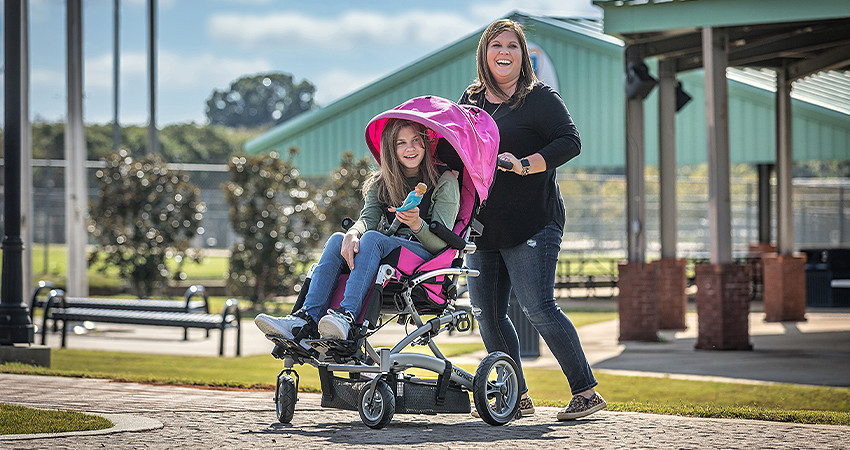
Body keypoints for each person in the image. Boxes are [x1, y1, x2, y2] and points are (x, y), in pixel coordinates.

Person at [458, 18, 606, 421]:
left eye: (512, 46)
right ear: (484, 54)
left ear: (523, 56)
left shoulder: (538, 97)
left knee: (537, 306)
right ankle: (515, 397)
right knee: (488, 313)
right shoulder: (471, 101)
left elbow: (570, 141)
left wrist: (524, 164)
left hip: (534, 221)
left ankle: (585, 392)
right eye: (496, 45)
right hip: (484, 227)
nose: (503, 52)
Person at [255, 119, 460, 341]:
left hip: (425, 257)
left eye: (415, 141)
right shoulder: (382, 182)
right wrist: (353, 233)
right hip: (390, 248)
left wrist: (416, 224)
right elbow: (367, 219)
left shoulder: (444, 182)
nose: (410, 148)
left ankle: (347, 316)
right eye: (401, 143)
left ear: (426, 143)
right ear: (391, 149)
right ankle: (305, 319)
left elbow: (442, 246)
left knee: (373, 238)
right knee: (337, 240)